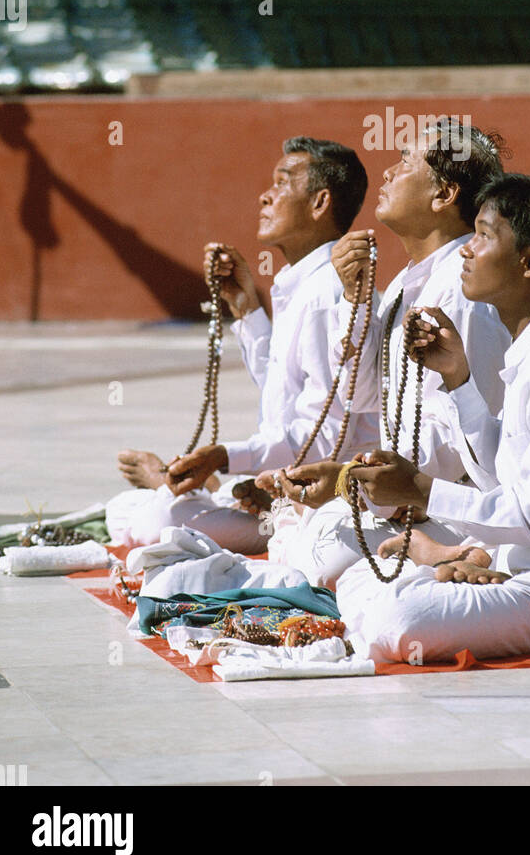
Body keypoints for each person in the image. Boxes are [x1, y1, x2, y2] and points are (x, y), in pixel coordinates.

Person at [329, 173, 530, 663]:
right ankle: (457, 565)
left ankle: (452, 569)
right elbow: (503, 477)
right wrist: (458, 378)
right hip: (525, 563)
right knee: (357, 574)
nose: (466, 250)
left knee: (399, 621)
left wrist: (420, 489)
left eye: (483, 235)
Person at [258, 118, 512, 585]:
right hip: (403, 495)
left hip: (450, 505)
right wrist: (355, 300)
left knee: (316, 559)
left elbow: (462, 439)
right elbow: (361, 396)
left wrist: (355, 479)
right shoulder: (404, 284)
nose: (389, 173)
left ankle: (451, 554)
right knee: (303, 542)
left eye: (405, 162)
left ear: (444, 195)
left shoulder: (462, 290)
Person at [106, 137, 376, 554]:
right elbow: (283, 391)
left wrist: (222, 456)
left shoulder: (326, 291)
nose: (265, 196)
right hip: (282, 480)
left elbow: (322, 442)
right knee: (124, 510)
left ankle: (203, 488)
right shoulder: (300, 282)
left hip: (324, 498)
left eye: (283, 183)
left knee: (155, 521)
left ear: (320, 202)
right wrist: (247, 308)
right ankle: (210, 490)